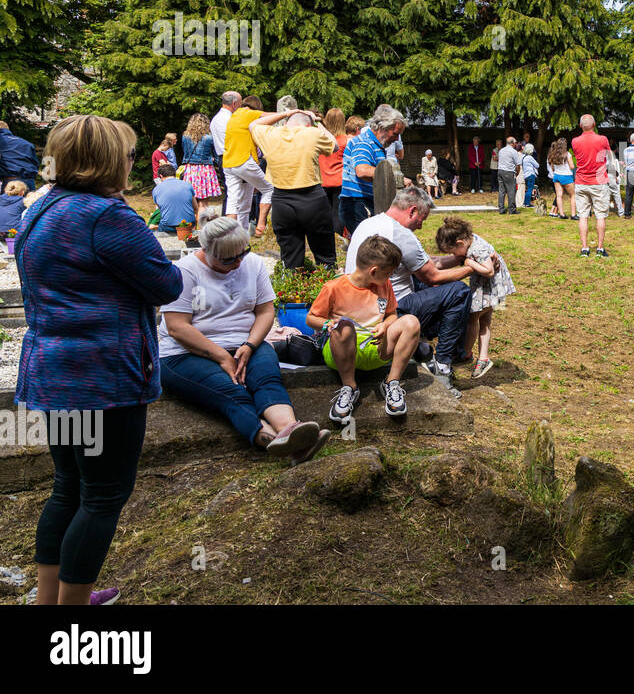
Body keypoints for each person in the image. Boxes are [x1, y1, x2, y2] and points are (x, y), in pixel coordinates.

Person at [16, 114, 183, 606]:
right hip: (102, 379)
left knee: (68, 487)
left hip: (52, 373)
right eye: (130, 154)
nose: (134, 162)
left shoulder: (40, 208)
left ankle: (51, 600)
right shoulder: (106, 216)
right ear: (109, 160)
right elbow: (167, 284)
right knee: (103, 497)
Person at [159, 212, 330, 463]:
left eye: (243, 253)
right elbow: (177, 327)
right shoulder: (185, 272)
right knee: (231, 392)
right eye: (228, 260)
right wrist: (221, 357)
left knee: (266, 380)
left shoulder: (253, 264)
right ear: (206, 250)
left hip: (244, 341)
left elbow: (265, 311)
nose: (238, 263)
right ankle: (279, 443)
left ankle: (292, 430)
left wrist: (250, 345)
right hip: (186, 351)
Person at [345, 186, 478, 389]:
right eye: (421, 219)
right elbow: (433, 277)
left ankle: (421, 348)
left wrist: (458, 259)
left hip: (359, 305)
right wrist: (471, 269)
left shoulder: (370, 223)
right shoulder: (400, 234)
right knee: (459, 291)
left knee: (417, 280)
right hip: (388, 311)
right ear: (412, 210)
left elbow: (426, 263)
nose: (420, 226)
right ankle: (443, 364)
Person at [309, 235, 423, 423]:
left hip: (375, 348)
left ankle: (391, 382)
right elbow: (311, 318)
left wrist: (385, 325)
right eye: (389, 273)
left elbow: (392, 315)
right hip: (341, 351)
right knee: (344, 327)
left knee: (411, 322)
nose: (390, 278)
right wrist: (327, 324)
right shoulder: (334, 287)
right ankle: (349, 387)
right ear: (374, 271)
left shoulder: (383, 285)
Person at [250, 107, 339, 270]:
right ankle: (327, 283)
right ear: (307, 125)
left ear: (286, 122)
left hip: (282, 200)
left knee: (290, 258)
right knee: (325, 254)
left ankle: (294, 291)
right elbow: (334, 146)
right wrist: (318, 123)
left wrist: (285, 113)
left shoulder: (270, 134)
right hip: (312, 198)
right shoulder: (312, 134)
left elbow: (253, 124)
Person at [434, 216, 515, 380]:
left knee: (472, 318)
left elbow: (489, 271)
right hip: (490, 287)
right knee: (484, 321)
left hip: (489, 287)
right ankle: (483, 358)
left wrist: (470, 264)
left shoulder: (477, 249)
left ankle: (465, 353)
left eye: (452, 251)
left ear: (459, 243)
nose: (453, 255)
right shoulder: (470, 240)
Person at [339, 105, 406, 235]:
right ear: (382, 128)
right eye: (395, 134)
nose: (397, 139)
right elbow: (362, 170)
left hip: (363, 202)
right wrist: (395, 177)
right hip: (358, 204)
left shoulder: (373, 143)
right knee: (368, 247)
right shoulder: (364, 143)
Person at [222, 96, 273, 235]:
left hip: (229, 162)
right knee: (269, 189)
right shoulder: (247, 113)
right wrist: (289, 113)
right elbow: (268, 116)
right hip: (243, 161)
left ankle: (234, 234)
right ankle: (260, 225)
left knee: (238, 199)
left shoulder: (235, 115)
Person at [571, 114, 612, 257]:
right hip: (599, 182)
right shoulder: (602, 139)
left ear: (581, 126)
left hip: (582, 182)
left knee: (583, 216)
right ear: (594, 124)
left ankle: (584, 248)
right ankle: (600, 249)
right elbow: (608, 157)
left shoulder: (575, 141)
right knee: (600, 216)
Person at [180, 113, 222, 208]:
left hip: (190, 170)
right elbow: (216, 155)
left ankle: (192, 222)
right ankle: (202, 222)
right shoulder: (209, 137)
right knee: (203, 203)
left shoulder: (185, 136)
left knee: (191, 203)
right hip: (205, 170)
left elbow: (185, 152)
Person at [209, 91, 240, 213]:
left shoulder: (216, 118)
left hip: (222, 157)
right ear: (234, 103)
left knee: (229, 193)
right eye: (240, 103)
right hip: (232, 156)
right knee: (234, 194)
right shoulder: (230, 119)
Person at [152, 163, 199, 233]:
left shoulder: (156, 189)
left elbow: (160, 211)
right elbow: (196, 208)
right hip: (188, 225)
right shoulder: (187, 185)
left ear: (161, 176)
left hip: (169, 227)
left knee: (154, 230)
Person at [0, 122, 39, 193]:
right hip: (30, 182)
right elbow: (35, 164)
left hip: (11, 184)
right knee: (30, 203)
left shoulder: (2, 141)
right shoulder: (26, 143)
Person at [548, 138, 576, 218]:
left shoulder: (553, 154)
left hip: (556, 176)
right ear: (565, 145)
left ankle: (561, 214)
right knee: (573, 195)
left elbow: (552, 167)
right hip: (566, 176)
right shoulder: (567, 154)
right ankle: (573, 215)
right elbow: (571, 166)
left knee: (559, 195)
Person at [496, 136, 522, 215]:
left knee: (501, 191)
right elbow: (518, 165)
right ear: (512, 143)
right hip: (509, 172)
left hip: (500, 171)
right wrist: (516, 174)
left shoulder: (501, 150)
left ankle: (501, 208)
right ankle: (512, 209)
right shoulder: (513, 152)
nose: (516, 144)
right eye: (515, 142)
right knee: (511, 191)